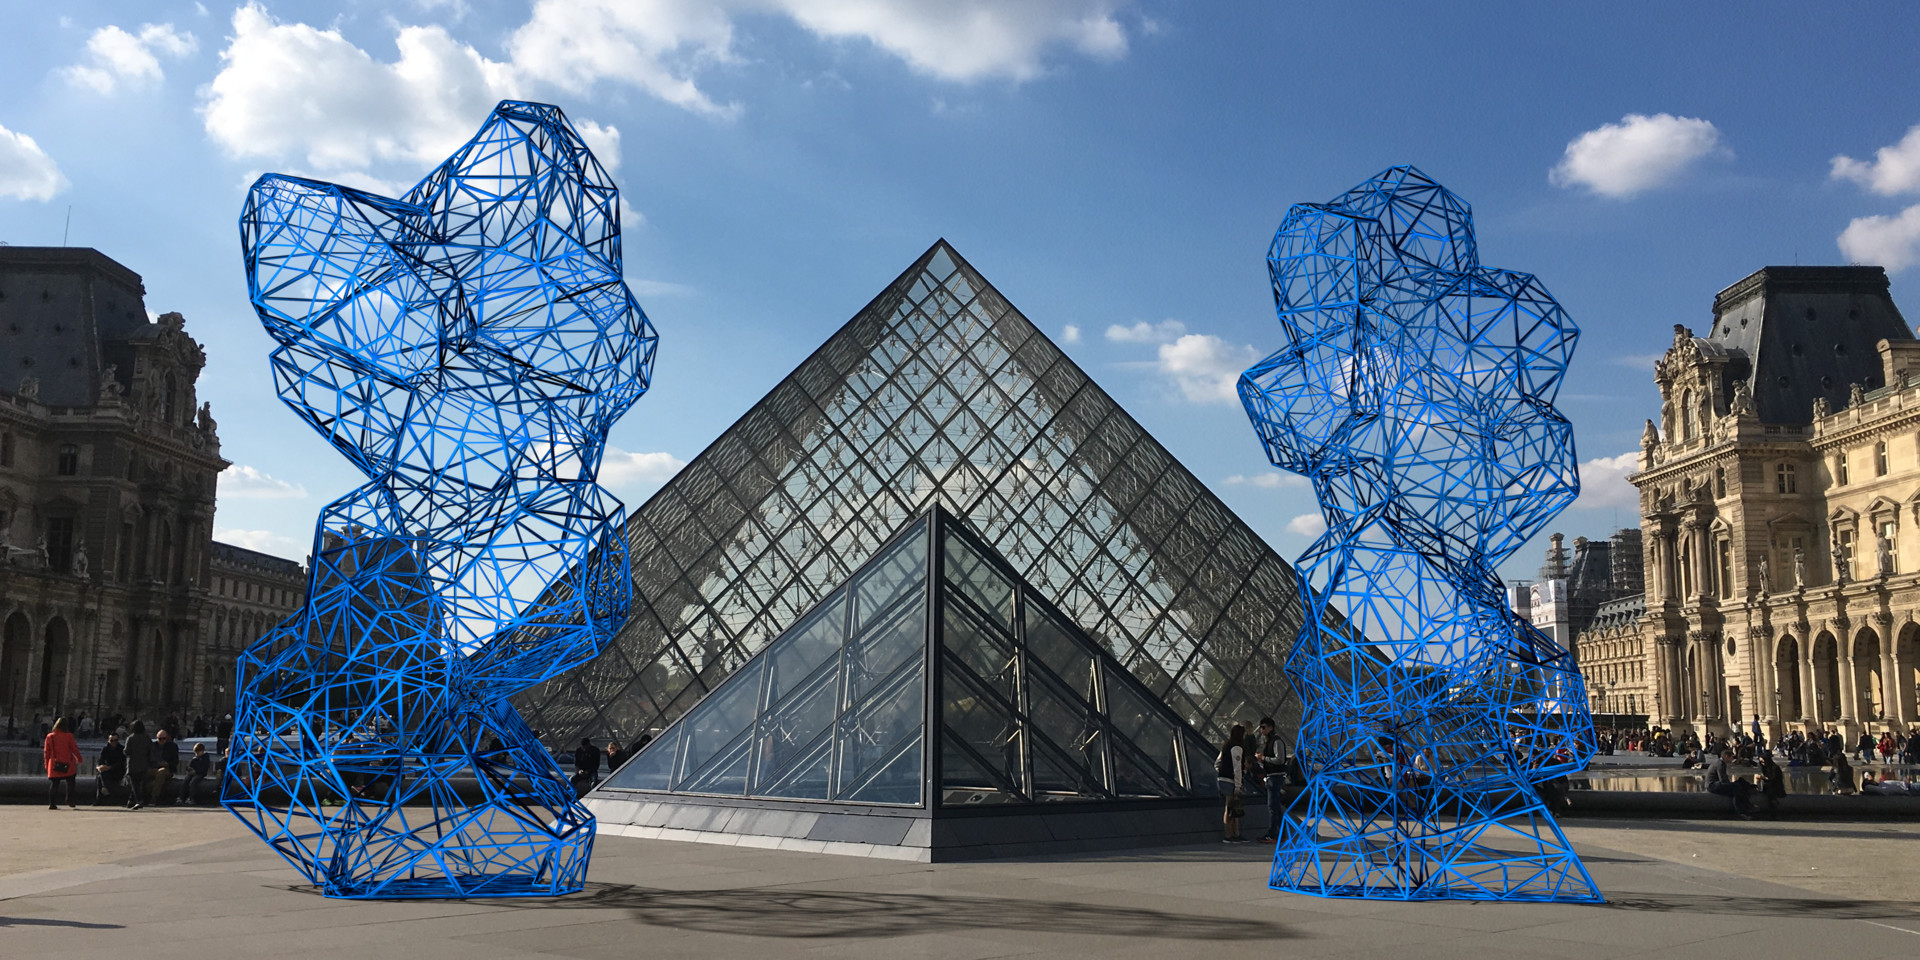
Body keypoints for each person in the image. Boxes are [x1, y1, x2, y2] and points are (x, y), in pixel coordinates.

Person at [1252, 716, 1286, 842]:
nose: (1261, 730)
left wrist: (1264, 758)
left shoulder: (1276, 741)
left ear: (1271, 727)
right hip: (1271, 776)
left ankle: (1273, 834)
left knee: (1273, 807)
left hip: (1275, 777)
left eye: (1263, 727)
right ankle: (1280, 833)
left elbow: (1280, 759)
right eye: (1260, 727)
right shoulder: (1270, 741)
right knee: (1275, 807)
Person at [1216, 723, 1249, 843]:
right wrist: (1238, 785)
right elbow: (1237, 767)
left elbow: (1217, 763)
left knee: (1233, 807)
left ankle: (1235, 834)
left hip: (1222, 779)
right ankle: (1229, 835)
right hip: (1230, 780)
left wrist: (1222, 771)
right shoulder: (1237, 747)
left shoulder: (1226, 745)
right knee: (1230, 808)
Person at [1703, 748, 1754, 818]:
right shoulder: (1720, 764)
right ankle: (1743, 809)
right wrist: (1732, 784)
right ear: (1726, 756)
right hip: (1712, 785)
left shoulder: (1718, 762)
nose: (1732, 759)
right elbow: (1723, 779)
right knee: (1737, 787)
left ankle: (1742, 810)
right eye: (1731, 757)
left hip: (1712, 784)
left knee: (1738, 785)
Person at [43, 717, 81, 810]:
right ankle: (69, 800)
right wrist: (79, 758)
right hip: (68, 763)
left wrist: (46, 764)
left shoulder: (50, 736)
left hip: (54, 763)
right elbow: (74, 749)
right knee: (71, 782)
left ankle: (52, 803)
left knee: (54, 784)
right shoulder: (69, 736)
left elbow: (46, 752)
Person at [123, 722, 151, 809]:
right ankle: (130, 801)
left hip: (133, 764)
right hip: (144, 764)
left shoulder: (130, 738)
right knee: (137, 783)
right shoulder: (146, 738)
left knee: (135, 784)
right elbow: (150, 750)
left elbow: (127, 751)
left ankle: (139, 801)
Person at [95, 733, 126, 806]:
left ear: (118, 740)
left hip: (118, 771)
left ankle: (102, 795)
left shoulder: (121, 749)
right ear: (108, 740)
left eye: (115, 740)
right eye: (111, 740)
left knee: (101, 776)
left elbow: (121, 763)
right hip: (107, 770)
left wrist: (110, 767)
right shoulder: (105, 749)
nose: (113, 742)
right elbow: (100, 760)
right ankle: (104, 792)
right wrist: (99, 767)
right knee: (100, 774)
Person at [151, 729, 180, 806]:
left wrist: (167, 764)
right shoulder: (152, 746)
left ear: (166, 738)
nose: (161, 741)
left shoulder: (172, 746)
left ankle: (154, 797)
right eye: (159, 739)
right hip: (154, 767)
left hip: (167, 769)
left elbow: (175, 761)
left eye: (163, 738)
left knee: (161, 772)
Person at [1756, 752, 1788, 819]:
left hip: (1776, 787)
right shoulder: (1764, 767)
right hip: (1769, 786)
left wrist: (1763, 778)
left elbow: (1773, 779)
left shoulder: (1775, 768)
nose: (1762, 763)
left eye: (1763, 761)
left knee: (1770, 794)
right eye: (1760, 762)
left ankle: (1774, 813)